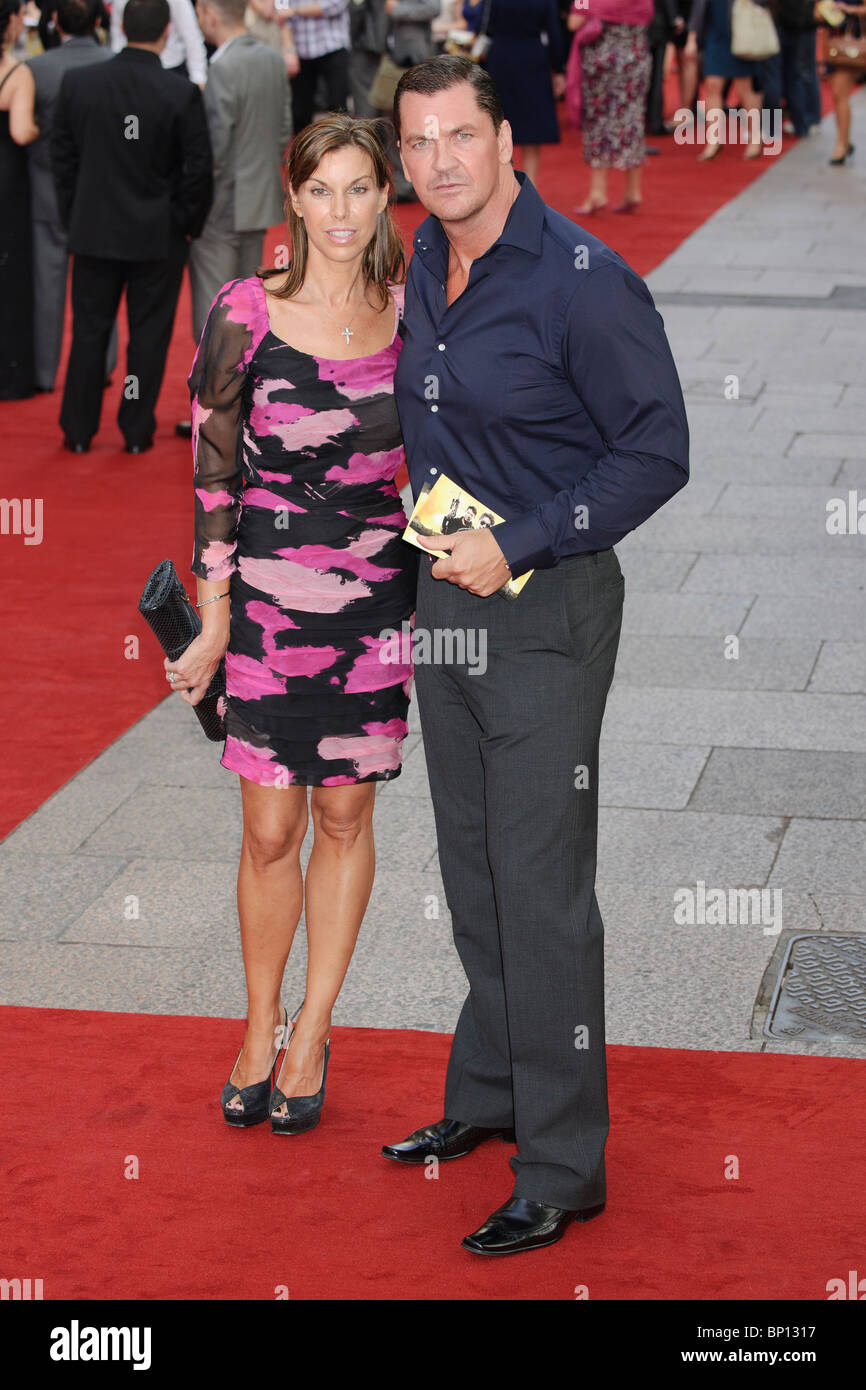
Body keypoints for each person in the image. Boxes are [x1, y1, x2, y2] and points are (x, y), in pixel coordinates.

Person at [384, 54, 689, 1256]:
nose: (439, 161)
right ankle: (492, 1091)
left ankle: (564, 1162)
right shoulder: (422, 258)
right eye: (418, 143)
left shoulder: (584, 283)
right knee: (473, 864)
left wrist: (511, 538)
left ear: (508, 138)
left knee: (541, 885)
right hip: (441, 597)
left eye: (459, 135)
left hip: (545, 608)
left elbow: (654, 452)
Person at [167, 113, 418, 1135]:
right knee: (270, 826)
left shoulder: (415, 313)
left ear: (382, 196)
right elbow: (212, 470)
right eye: (322, 191)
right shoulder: (243, 310)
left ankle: (313, 1027)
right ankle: (258, 1019)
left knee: (345, 817)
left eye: (360, 188)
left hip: (375, 591)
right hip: (268, 592)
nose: (342, 211)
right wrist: (215, 615)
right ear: (293, 198)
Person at [51, 0, 213, 452]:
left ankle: (78, 431)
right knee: (148, 337)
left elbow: (60, 157)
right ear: (167, 33)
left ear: (120, 24)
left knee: (89, 332)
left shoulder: (81, 83)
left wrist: (74, 213)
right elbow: (197, 170)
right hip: (156, 238)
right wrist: (184, 224)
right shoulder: (179, 93)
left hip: (95, 232)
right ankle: (135, 430)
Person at [189, 0, 292, 340]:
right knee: (247, 302)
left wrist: (197, 200)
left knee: (214, 310)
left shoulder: (223, 67)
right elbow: (283, 131)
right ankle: (241, 382)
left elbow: (217, 145)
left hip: (222, 199)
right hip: (259, 194)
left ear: (209, 14)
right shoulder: (272, 59)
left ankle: (212, 385)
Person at [27, 0, 114, 394]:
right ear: (98, 21)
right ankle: (104, 368)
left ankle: (44, 374)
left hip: (46, 194)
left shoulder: (35, 69)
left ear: (55, 23)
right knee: (102, 291)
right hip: (101, 198)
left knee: (47, 293)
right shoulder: (116, 66)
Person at [462, 0, 565, 186]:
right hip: (533, 60)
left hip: (501, 60)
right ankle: (530, 187)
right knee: (533, 131)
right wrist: (558, 69)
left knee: (496, 123)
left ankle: (499, 185)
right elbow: (554, 33)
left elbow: (480, 25)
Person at [570, 0, 654, 213]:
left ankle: (598, 193)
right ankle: (633, 191)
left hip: (603, 60)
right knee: (633, 119)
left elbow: (575, 21)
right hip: (636, 58)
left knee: (599, 120)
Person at [0, 0, 38, 400]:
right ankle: (10, 374)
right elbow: (21, 130)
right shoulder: (16, 72)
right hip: (7, 183)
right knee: (9, 279)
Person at [685, 0, 768, 159]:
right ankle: (714, 140)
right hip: (714, 32)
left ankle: (755, 137)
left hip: (742, 27)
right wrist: (692, 36)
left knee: (744, 85)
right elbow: (699, 5)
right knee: (712, 84)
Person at [274, 0, 351, 133]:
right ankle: (304, 151)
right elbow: (281, 10)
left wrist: (295, 10)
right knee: (299, 112)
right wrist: (288, 48)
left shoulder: (295, 10)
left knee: (338, 108)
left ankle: (342, 149)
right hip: (300, 49)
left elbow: (336, 5)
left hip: (333, 46)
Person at [110, 0, 208, 84]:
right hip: (130, 69)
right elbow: (117, 35)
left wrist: (198, 78)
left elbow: (191, 37)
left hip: (170, 68)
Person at [816, 0, 865, 164]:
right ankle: (845, 139)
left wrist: (848, 9)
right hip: (833, 43)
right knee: (838, 97)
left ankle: (841, 145)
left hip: (852, 43)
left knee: (840, 93)